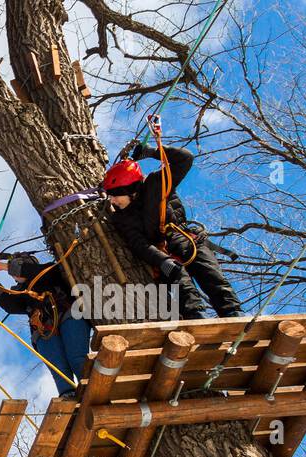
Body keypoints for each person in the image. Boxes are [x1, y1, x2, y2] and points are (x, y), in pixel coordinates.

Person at [103, 119, 243, 320]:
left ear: (131, 190)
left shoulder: (156, 184)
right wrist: (162, 261)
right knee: (179, 281)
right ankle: (196, 318)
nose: (113, 200)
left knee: (210, 275)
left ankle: (233, 314)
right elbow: (138, 243)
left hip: (183, 237)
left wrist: (152, 152)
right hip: (160, 250)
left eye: (116, 193)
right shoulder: (122, 218)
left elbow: (185, 159)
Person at [0, 252, 90, 398]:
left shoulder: (49, 271)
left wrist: (4, 266)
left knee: (77, 358)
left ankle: (93, 388)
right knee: (59, 371)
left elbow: (35, 272)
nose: (14, 274)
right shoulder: (22, 292)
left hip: (68, 316)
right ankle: (68, 398)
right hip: (43, 330)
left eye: (17, 269)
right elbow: (11, 305)